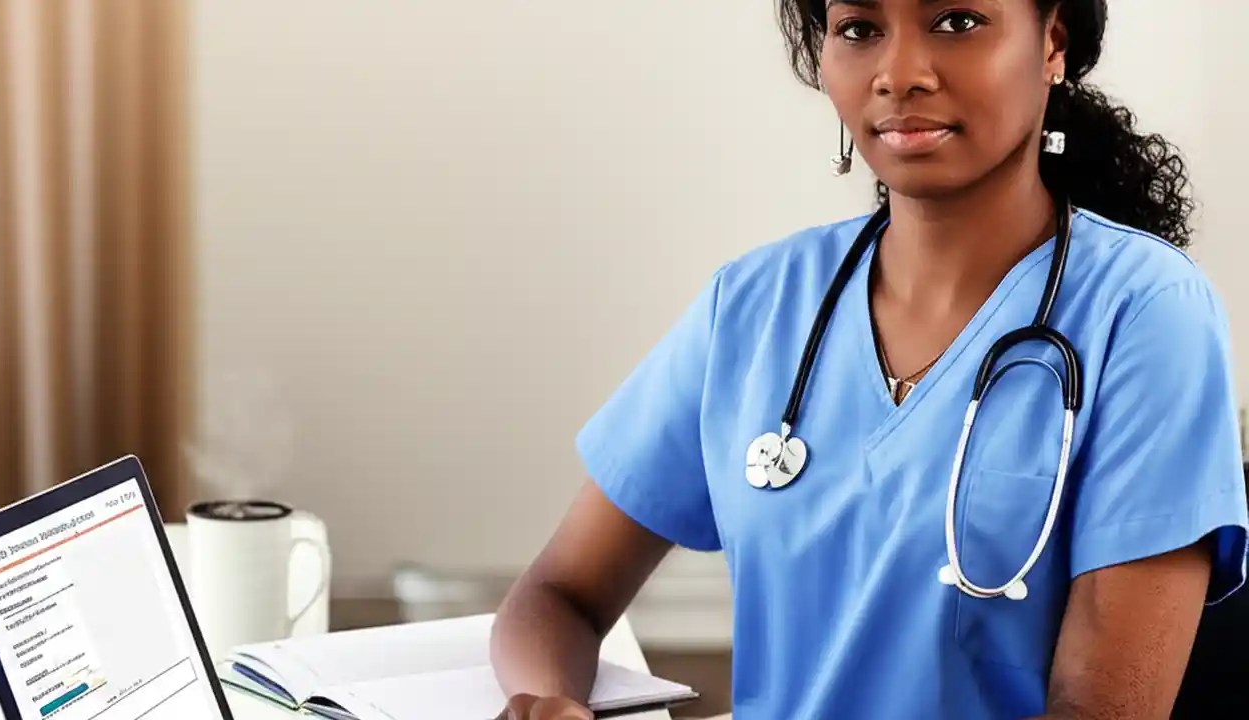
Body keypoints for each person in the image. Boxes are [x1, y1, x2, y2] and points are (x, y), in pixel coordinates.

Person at [490, 1, 1249, 717]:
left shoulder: (1145, 312)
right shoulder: (755, 304)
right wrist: (549, 698)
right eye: (858, 28)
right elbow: (559, 594)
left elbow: (1104, 710)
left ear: (1052, 42)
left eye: (957, 21)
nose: (900, 72)